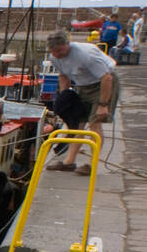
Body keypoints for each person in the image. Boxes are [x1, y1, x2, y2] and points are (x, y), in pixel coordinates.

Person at [44, 30, 119, 175]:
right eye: (53, 51)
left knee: (94, 123)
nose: (56, 54)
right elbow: (64, 76)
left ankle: (91, 165)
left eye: (59, 50)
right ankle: (69, 162)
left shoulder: (85, 54)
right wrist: (66, 96)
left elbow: (107, 78)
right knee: (78, 123)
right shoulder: (54, 57)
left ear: (68, 44)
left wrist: (103, 105)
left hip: (102, 84)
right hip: (83, 86)